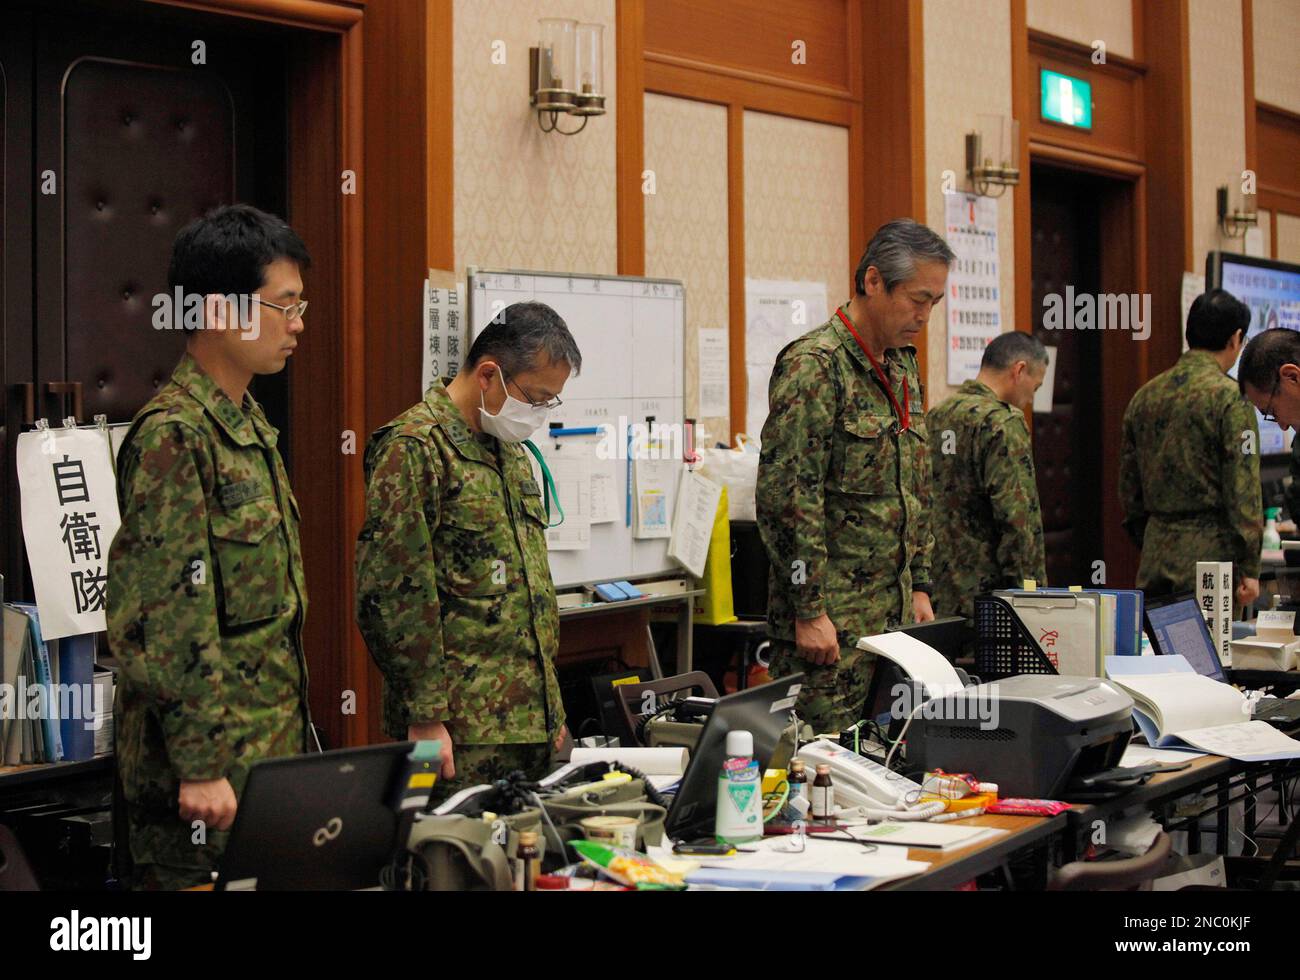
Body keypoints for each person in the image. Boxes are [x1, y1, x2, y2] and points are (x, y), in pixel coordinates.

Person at [107, 204, 312, 890]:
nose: (298, 325)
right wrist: (199, 764)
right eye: (284, 306)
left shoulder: (247, 425)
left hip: (263, 766)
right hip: (199, 789)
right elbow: (166, 617)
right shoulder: (176, 435)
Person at [356, 302, 578, 801]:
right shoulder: (415, 447)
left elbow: (529, 588)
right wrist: (425, 717)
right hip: (459, 732)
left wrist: (551, 709)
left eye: (550, 403)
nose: (539, 414)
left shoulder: (510, 451)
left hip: (531, 726)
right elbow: (392, 594)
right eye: (536, 398)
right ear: (488, 374)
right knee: (453, 863)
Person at [756, 218, 952, 735]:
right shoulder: (815, 366)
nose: (925, 315)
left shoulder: (903, 366)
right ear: (872, 282)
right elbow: (787, 497)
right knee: (826, 772)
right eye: (917, 299)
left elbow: (915, 482)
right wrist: (808, 610)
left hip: (895, 616)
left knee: (891, 762)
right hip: (830, 626)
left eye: (934, 302)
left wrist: (921, 583)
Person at [1119, 289, 1260, 604]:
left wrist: (1152, 537)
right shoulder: (1232, 398)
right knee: (1208, 652)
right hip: (1212, 559)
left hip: (1154, 553)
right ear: (1236, 338)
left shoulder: (1144, 396)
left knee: (1154, 651)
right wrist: (1250, 565)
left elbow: (1129, 491)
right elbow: (1244, 490)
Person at [929, 331, 1048, 620]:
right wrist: (1031, 600)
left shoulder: (936, 415)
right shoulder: (1003, 423)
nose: (1031, 399)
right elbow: (1018, 522)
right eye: (1036, 386)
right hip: (991, 602)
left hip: (935, 595)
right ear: (1019, 370)